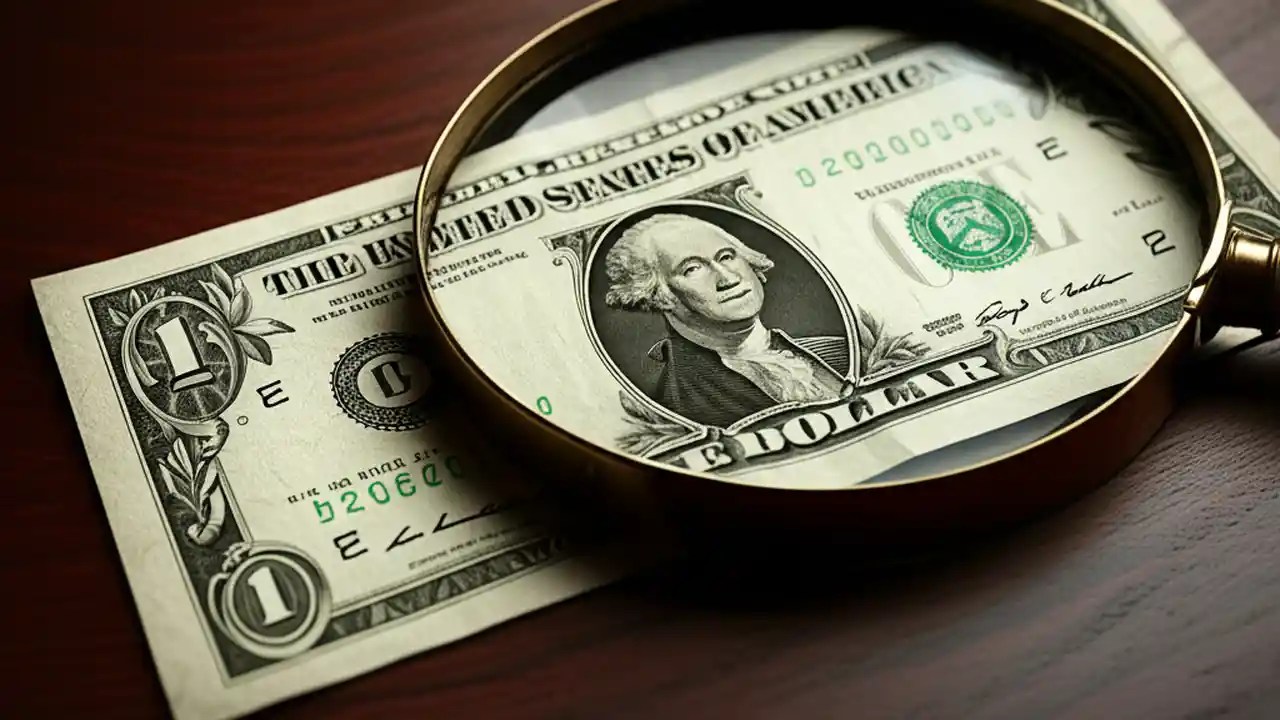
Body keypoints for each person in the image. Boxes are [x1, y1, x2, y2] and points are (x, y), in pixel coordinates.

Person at [603, 212, 849, 428]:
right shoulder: (683, 407)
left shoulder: (843, 352)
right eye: (692, 269)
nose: (728, 278)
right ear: (658, 295)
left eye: (726, 257)